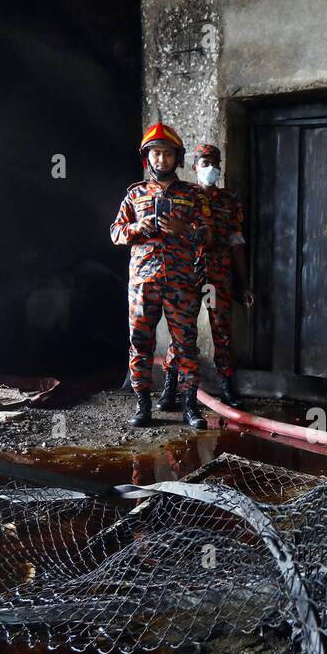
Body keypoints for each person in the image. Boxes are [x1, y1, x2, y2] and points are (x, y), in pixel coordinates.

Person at [109, 122, 210, 430]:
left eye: (167, 154)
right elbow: (115, 233)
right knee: (140, 343)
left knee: (185, 344)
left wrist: (185, 231)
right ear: (147, 158)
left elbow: (207, 234)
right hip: (143, 284)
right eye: (155, 154)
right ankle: (143, 406)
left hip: (181, 282)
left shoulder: (193, 195)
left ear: (177, 158)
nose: (161, 160)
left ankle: (190, 407)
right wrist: (138, 228)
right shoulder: (134, 195)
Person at [157, 143, 253, 409]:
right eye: (204, 162)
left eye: (214, 163)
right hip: (187, 272)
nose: (210, 168)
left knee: (222, 330)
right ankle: (170, 386)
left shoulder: (229, 201)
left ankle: (226, 386)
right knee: (182, 331)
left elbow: (236, 242)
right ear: (194, 165)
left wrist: (244, 285)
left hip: (219, 274)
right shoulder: (183, 196)